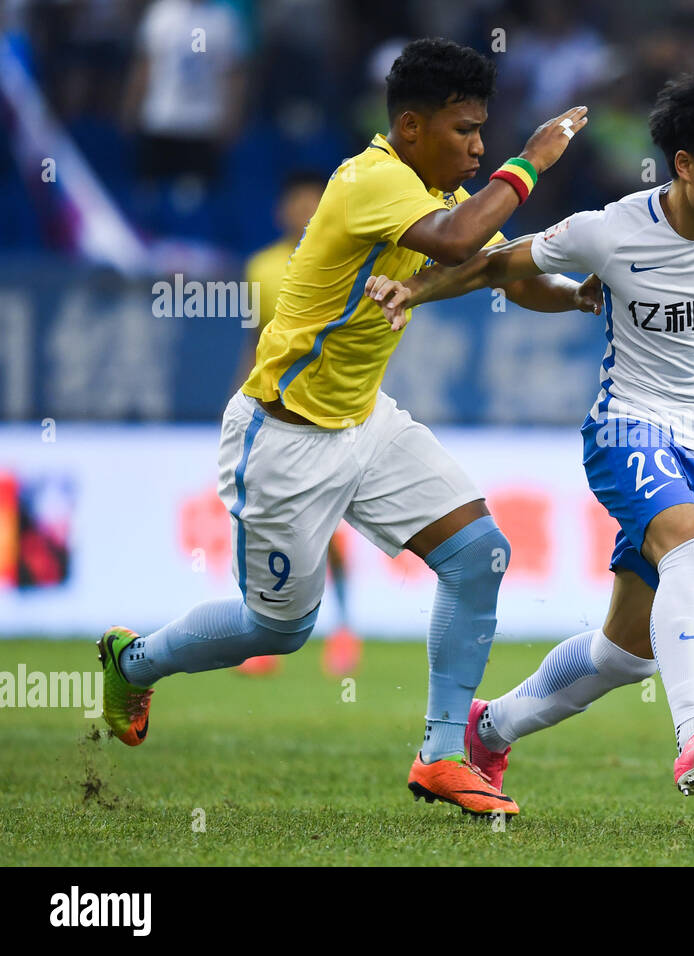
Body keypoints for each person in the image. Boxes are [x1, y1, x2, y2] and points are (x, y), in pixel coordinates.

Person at [364, 74, 694, 800]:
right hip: (629, 428)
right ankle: (693, 737)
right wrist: (414, 288)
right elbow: (496, 263)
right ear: (685, 165)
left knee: (627, 656)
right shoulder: (612, 230)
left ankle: (485, 731)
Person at [96, 37, 599, 818]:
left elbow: (496, 264)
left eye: (483, 131)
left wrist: (574, 293)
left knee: (479, 555)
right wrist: (531, 160)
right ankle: (135, 662)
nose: (477, 146)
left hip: (364, 422)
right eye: (464, 130)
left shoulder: (429, 195)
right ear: (409, 126)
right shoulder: (374, 180)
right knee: (280, 627)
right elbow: (464, 243)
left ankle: (440, 756)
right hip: (286, 439)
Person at [236, 171, 361, 678]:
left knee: (325, 528)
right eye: (297, 203)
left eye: (314, 203)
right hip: (270, 411)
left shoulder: (342, 260)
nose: (305, 212)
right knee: (264, 521)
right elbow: (254, 338)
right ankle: (261, 633)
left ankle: (344, 629)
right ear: (282, 210)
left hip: (327, 411)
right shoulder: (260, 267)